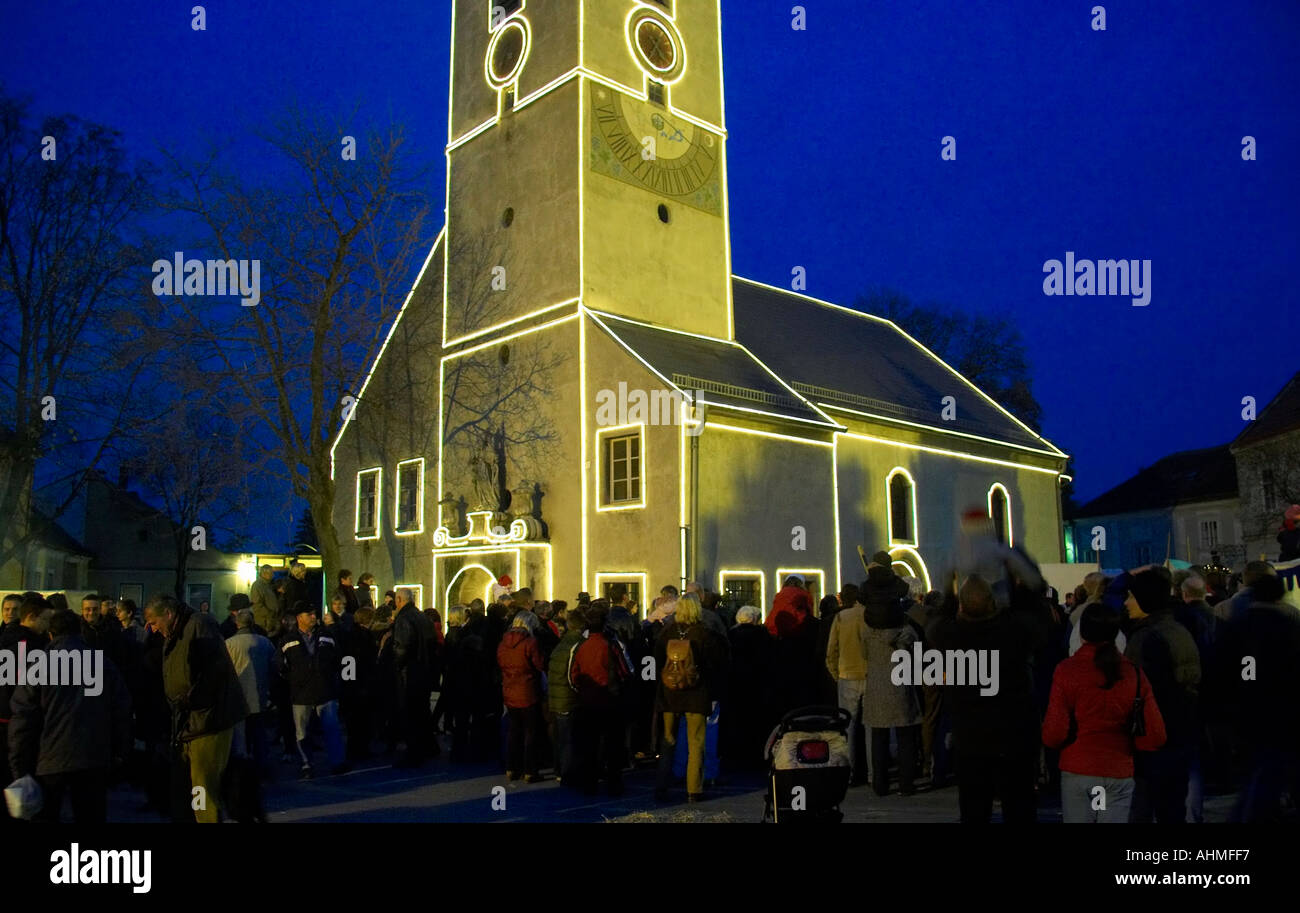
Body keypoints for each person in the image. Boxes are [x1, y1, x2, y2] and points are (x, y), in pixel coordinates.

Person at [930, 572, 1049, 824]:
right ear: (993, 604)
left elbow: (935, 625)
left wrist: (949, 591)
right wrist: (1018, 586)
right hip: (1013, 738)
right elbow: (1036, 622)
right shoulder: (1012, 635)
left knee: (974, 810)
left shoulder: (952, 637)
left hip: (970, 740)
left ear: (961, 606)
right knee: (1019, 808)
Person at [1042, 604, 1167, 823]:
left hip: (1079, 767)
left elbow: (1054, 734)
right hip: (1118, 768)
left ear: (1081, 634)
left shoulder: (1067, 671)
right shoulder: (1134, 673)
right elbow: (1155, 736)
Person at [7, 609, 131, 823]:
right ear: (80, 632)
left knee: (47, 814)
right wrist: (121, 750)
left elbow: (23, 717)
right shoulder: (102, 663)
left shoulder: (39, 666)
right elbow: (121, 709)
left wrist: (18, 764)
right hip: (93, 756)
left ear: (50, 634)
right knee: (91, 815)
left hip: (49, 758)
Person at [145, 594, 248, 823]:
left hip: (207, 720)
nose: (152, 629)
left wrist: (191, 698)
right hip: (193, 721)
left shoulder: (199, 625)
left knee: (202, 784)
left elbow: (214, 669)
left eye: (154, 622)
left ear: (168, 614)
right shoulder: (178, 631)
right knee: (194, 784)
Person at [1115, 567, 1200, 824]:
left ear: (1146, 599)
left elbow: (1136, 691)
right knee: (1172, 808)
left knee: (1144, 807)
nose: (1127, 602)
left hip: (1155, 737)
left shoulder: (1146, 637)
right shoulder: (1176, 628)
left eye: (1132, 596)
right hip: (1180, 730)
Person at [1214, 570, 1300, 822]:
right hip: (1283, 710)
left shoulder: (1239, 625)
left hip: (1248, 711)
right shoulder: (1287, 625)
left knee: (1259, 771)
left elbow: (1228, 669)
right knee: (1271, 770)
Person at [653, 594, 728, 802]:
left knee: (668, 740)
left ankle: (661, 784)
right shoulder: (705, 634)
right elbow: (717, 664)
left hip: (670, 693)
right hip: (696, 693)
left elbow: (657, 660)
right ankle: (694, 789)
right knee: (696, 742)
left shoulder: (667, 632)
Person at [862, 576, 922, 796]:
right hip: (901, 685)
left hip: (876, 686)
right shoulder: (906, 631)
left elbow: (864, 654)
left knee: (879, 737)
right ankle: (907, 783)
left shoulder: (868, 632)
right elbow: (917, 652)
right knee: (906, 736)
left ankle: (880, 784)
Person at [278, 602, 348, 778]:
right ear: (299, 618)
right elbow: (280, 665)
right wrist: (294, 679)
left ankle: (337, 762)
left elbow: (340, 658)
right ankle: (306, 764)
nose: (314, 617)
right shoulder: (288, 640)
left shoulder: (326, 636)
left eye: (314, 613)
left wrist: (342, 680)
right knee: (302, 732)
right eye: (309, 614)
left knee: (331, 728)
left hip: (325, 690)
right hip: (301, 694)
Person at [569, 602, 630, 795]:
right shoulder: (611, 645)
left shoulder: (580, 646)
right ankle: (613, 781)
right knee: (612, 744)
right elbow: (624, 671)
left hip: (587, 700)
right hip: (610, 699)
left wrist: (581, 690)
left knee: (590, 744)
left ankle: (589, 782)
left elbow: (572, 675)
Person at [0, 594, 50, 817]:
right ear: (31, 617)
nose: (47, 625)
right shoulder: (31, 648)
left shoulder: (10, 642)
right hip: (20, 721)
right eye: (45, 619)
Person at [224, 608, 275, 821]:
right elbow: (274, 666)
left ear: (237, 623)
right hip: (259, 697)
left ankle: (243, 774)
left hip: (238, 699)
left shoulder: (229, 644)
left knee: (241, 740)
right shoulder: (265, 643)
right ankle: (262, 769)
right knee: (259, 736)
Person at [825, 584, 870, 785]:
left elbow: (831, 650)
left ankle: (850, 772)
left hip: (847, 674)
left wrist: (836, 674)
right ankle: (873, 773)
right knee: (871, 727)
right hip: (868, 675)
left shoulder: (841, 617)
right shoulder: (869, 615)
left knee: (848, 727)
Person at [389, 586, 438, 766]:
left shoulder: (404, 618)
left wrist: (395, 665)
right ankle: (429, 746)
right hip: (423, 671)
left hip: (409, 673)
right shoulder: (422, 616)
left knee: (411, 714)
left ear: (399, 600)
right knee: (422, 711)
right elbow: (432, 644)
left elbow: (402, 647)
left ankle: (414, 753)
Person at [723, 605, 773, 773]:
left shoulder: (731, 634)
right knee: (756, 720)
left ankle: (737, 754)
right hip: (757, 683)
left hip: (736, 683)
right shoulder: (762, 634)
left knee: (738, 719)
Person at [498, 612, 546, 782]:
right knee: (530, 732)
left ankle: (512, 767)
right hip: (528, 690)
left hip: (510, 689)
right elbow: (539, 664)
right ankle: (530, 770)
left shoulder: (503, 643)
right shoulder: (530, 642)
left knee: (514, 730)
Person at [548, 605, 586, 784]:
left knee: (560, 738)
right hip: (568, 697)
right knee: (569, 738)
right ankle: (567, 773)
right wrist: (578, 691)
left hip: (556, 696)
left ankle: (559, 769)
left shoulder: (561, 643)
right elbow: (572, 674)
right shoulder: (576, 645)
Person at [249, 565, 280, 634]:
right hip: (263, 622)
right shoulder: (257, 585)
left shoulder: (268, 585)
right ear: (264, 574)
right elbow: (257, 604)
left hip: (269, 621)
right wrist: (270, 614)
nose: (273, 575)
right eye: (271, 573)